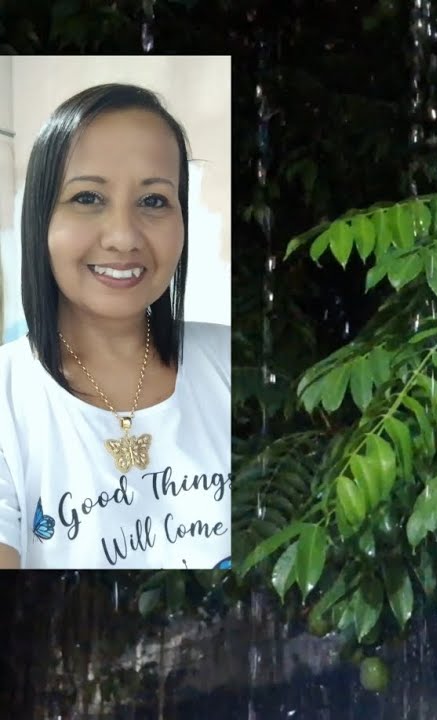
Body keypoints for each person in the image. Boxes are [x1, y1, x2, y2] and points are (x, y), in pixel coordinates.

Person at [0, 84, 230, 570]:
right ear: (41, 219)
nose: (124, 236)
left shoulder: (236, 360)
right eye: (87, 197)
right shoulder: (7, 397)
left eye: (154, 201)